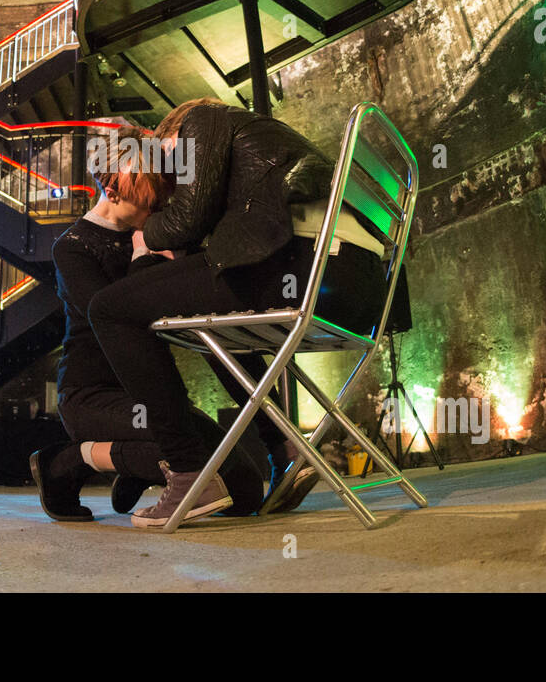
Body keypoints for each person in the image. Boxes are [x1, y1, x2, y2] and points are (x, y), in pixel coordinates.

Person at [87, 99, 411, 528]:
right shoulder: (248, 154)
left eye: (165, 160)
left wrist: (146, 236)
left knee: (108, 309)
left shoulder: (201, 120)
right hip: (355, 283)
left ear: (170, 133)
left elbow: (188, 218)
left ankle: (188, 470)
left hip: (310, 265)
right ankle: (286, 448)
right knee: (202, 321)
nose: (168, 176)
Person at [30, 127, 264, 521]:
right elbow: (113, 318)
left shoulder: (156, 233)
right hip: (92, 395)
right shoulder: (72, 248)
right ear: (113, 190)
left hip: (156, 399)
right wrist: (143, 259)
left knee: (244, 491)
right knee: (191, 460)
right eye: (149, 203)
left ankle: (136, 465)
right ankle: (67, 461)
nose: (159, 212)